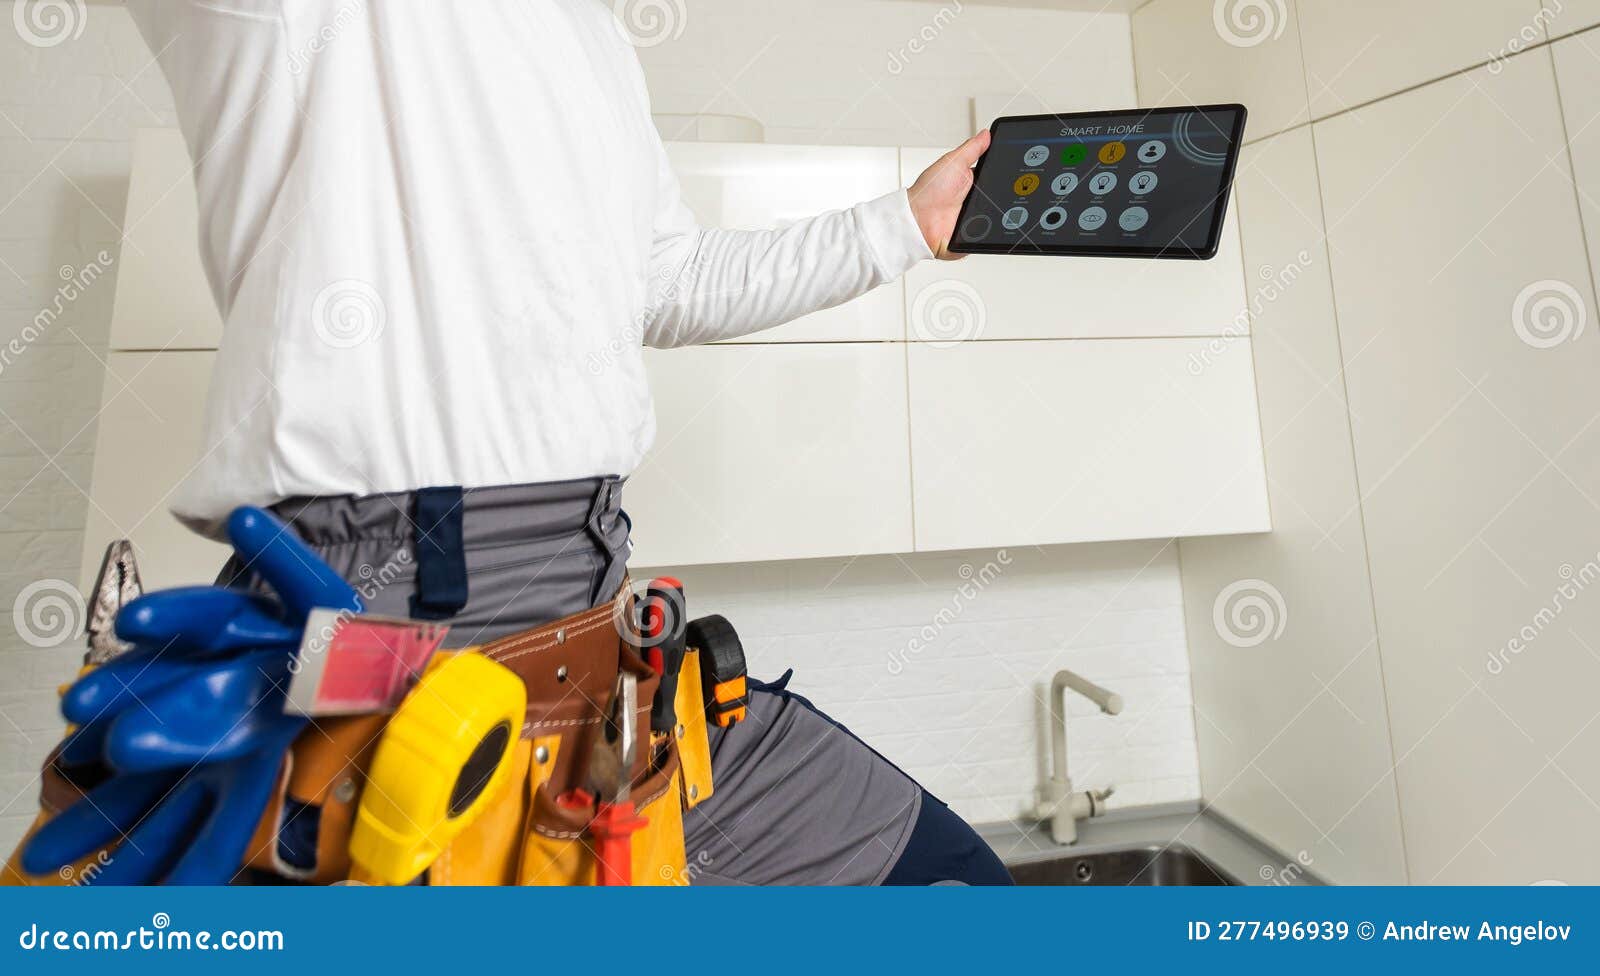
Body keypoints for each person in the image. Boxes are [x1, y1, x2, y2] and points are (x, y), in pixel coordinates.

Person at [121, 0, 1009, 886]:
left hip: (605, 657)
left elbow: (668, 277)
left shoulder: (594, 34)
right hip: (393, 631)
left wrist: (903, 223)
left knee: (952, 884)